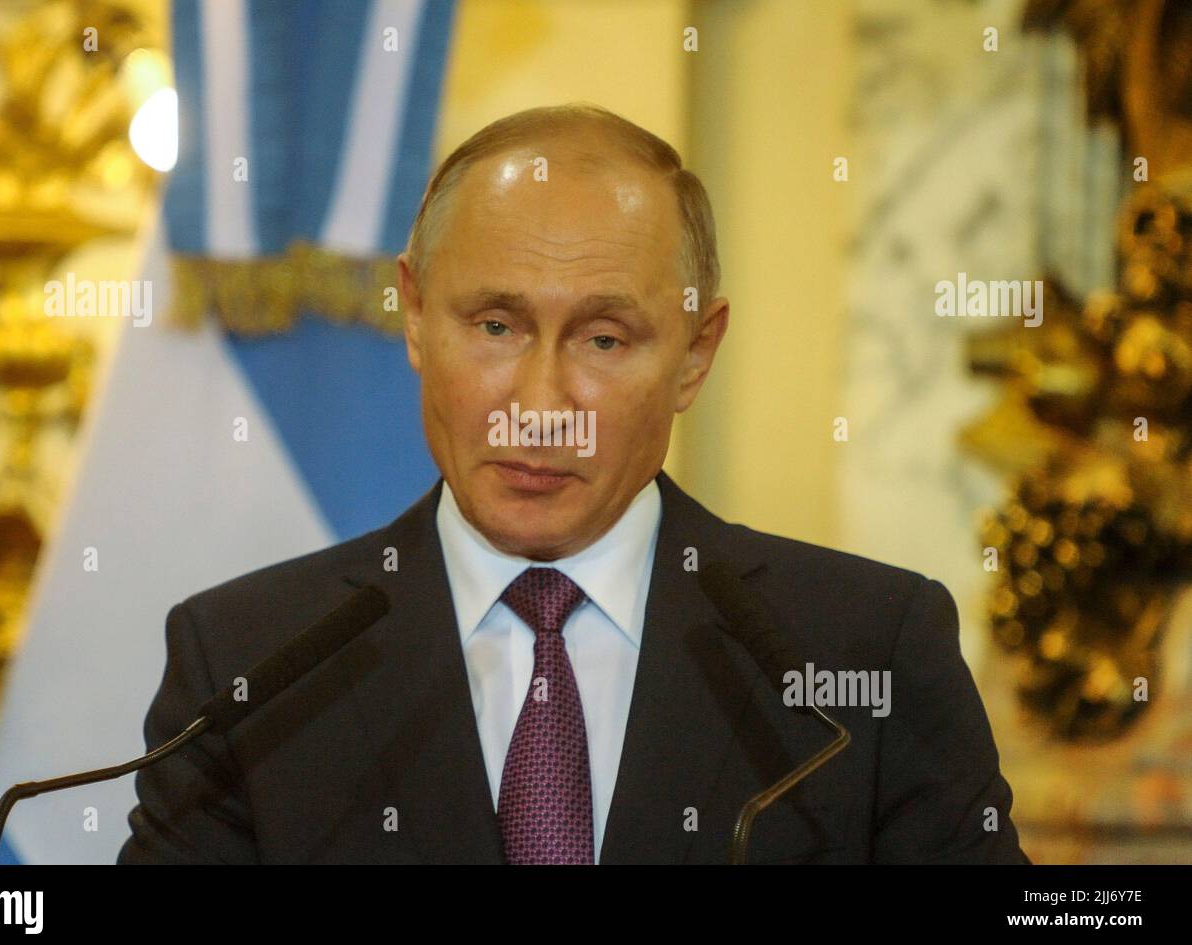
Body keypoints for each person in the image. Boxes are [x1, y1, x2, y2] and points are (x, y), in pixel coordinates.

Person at [119, 103, 1028, 864]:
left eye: (604, 340)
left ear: (693, 356)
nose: (542, 402)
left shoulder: (868, 649)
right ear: (416, 318)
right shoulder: (245, 664)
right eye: (496, 326)